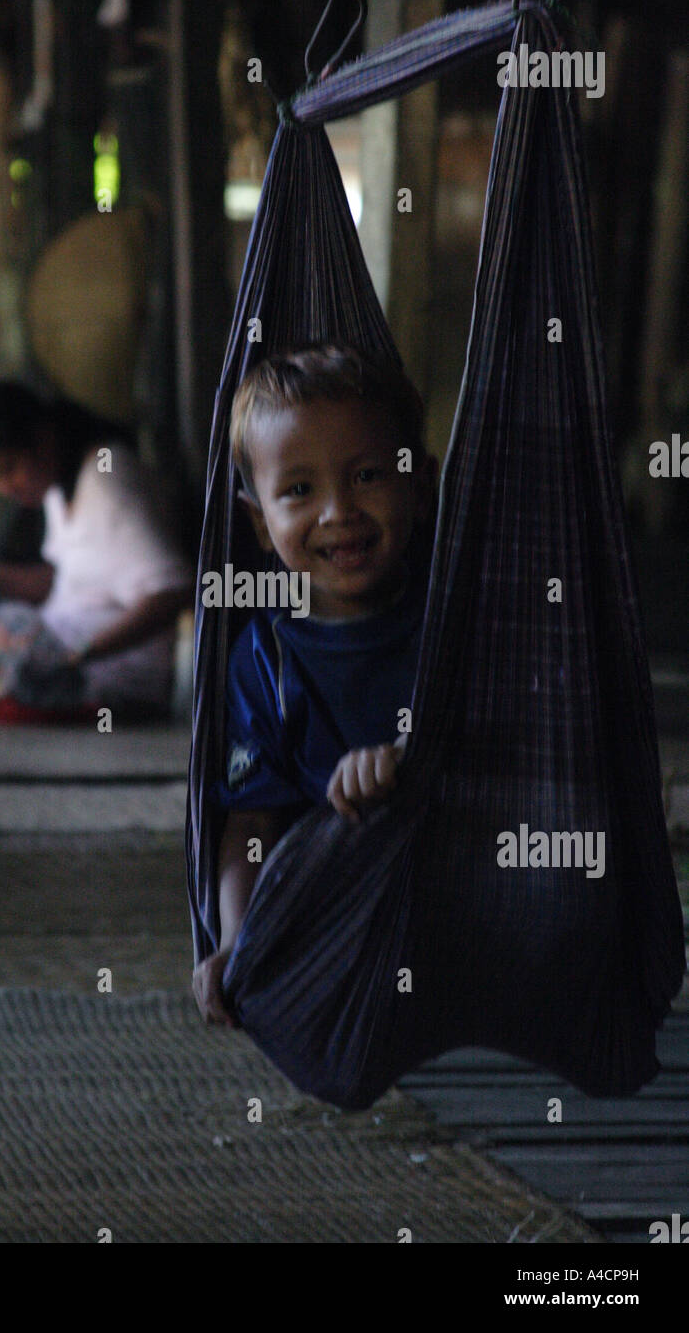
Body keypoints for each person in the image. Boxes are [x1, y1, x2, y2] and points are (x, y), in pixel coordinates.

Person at [192, 343, 438, 1025]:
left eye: (366, 476)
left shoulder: (459, 624)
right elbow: (250, 820)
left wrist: (407, 766)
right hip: (339, 928)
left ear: (421, 488)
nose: (338, 512)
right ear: (259, 524)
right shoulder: (264, 660)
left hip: (461, 905)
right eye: (299, 491)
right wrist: (240, 944)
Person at [0, 381, 192, 715]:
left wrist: (81, 653)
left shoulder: (108, 477)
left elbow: (172, 591)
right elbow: (70, 584)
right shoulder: (58, 489)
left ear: (43, 436)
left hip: (117, 681)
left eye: (8, 469)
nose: (4, 488)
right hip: (79, 662)